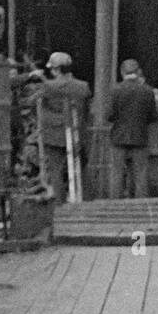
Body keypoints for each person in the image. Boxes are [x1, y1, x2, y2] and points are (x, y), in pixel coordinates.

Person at [31, 52, 91, 203]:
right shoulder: (83, 86)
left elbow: (31, 101)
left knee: (55, 170)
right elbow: (86, 109)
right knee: (81, 169)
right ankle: (85, 199)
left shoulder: (48, 86)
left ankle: (59, 203)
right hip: (77, 132)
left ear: (56, 69)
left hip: (54, 135)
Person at [107, 59, 158, 199]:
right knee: (140, 173)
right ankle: (140, 205)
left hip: (118, 136)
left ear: (122, 72)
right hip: (140, 136)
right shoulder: (147, 91)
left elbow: (109, 115)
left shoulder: (115, 90)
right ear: (138, 72)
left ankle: (114, 204)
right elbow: (153, 116)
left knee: (116, 172)